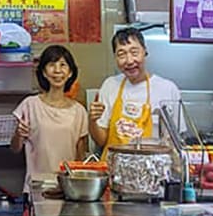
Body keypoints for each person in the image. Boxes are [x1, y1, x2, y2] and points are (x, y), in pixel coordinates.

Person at [89, 27, 184, 161]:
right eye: (121, 54)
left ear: (145, 51)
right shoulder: (110, 85)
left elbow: (174, 142)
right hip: (114, 170)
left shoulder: (168, 89)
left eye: (134, 52)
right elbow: (101, 140)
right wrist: (92, 121)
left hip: (152, 171)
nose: (129, 61)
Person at [10, 45, 88, 189]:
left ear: (70, 73)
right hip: (36, 186)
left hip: (66, 186)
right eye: (52, 65)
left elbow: (80, 157)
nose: (57, 70)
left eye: (63, 65)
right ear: (44, 72)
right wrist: (18, 134)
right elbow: (15, 148)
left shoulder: (80, 112)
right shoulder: (29, 105)